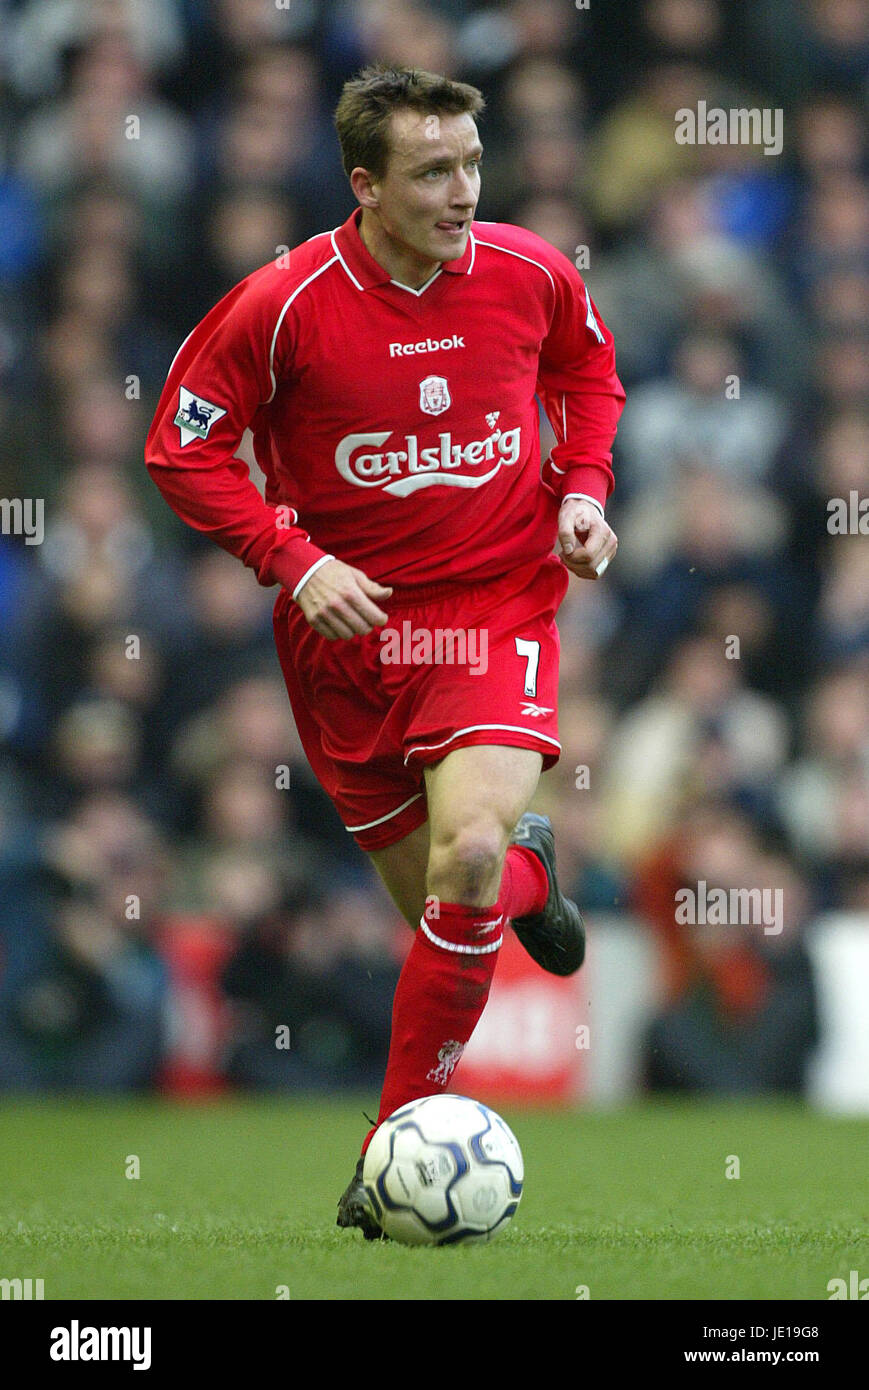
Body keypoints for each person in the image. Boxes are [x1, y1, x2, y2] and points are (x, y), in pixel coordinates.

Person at [145, 65, 624, 1238]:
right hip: (348, 640)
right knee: (451, 909)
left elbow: (587, 374)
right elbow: (180, 449)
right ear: (365, 184)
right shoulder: (282, 303)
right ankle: (532, 877)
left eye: (471, 163)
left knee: (465, 854)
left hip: (495, 607)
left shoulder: (527, 269)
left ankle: (388, 1148)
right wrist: (292, 560)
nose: (464, 191)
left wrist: (582, 491)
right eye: (432, 172)